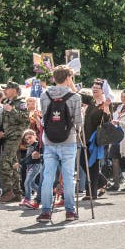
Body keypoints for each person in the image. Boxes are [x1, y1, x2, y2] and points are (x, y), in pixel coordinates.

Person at [37, 65, 82, 223]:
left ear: (54, 78)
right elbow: (78, 122)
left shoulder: (44, 95)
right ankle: (70, 211)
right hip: (68, 140)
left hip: (49, 140)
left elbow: (44, 117)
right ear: (69, 78)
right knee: (69, 177)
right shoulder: (75, 97)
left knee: (48, 176)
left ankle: (46, 211)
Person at [79, 80, 111, 199]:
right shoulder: (91, 101)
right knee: (84, 162)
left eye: (98, 87)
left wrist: (107, 107)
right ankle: (102, 181)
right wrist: (68, 79)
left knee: (92, 166)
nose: (95, 88)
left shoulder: (105, 104)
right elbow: (77, 93)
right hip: (85, 138)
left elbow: (108, 121)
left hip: (95, 140)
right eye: (93, 86)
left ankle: (91, 193)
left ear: (103, 90)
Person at [0, 81, 28, 203]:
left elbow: (25, 119)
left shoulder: (20, 103)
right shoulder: (6, 102)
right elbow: (3, 121)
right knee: (13, 165)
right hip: (7, 136)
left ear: (14, 90)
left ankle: (7, 191)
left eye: (7, 89)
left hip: (15, 136)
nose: (5, 91)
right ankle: (16, 192)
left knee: (4, 163)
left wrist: (12, 110)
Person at [17, 129, 42, 209]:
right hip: (30, 166)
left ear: (35, 136)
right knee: (31, 184)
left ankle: (27, 199)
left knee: (27, 182)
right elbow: (27, 158)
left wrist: (20, 163)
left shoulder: (37, 145)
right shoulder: (30, 146)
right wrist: (21, 163)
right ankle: (43, 194)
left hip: (36, 166)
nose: (28, 140)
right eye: (27, 139)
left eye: (30, 137)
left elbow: (38, 155)